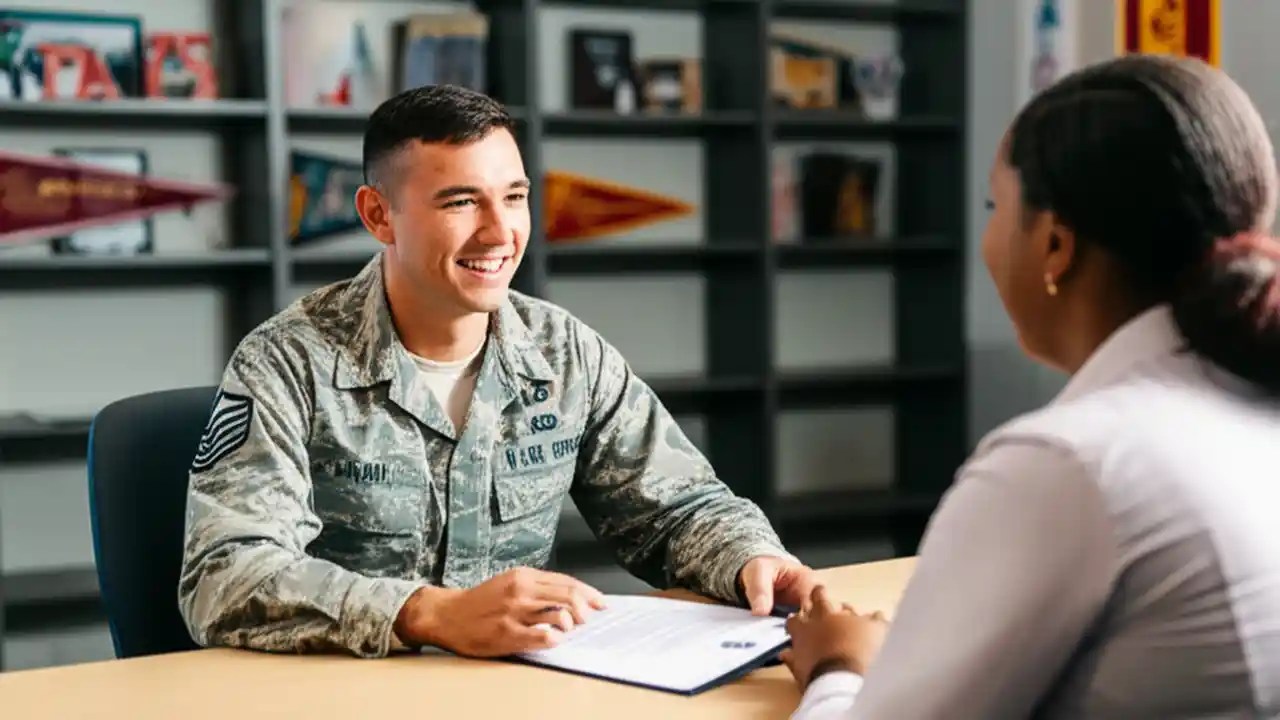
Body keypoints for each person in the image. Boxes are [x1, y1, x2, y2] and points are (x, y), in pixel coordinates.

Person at [178, 84, 816, 660]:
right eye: (460, 202)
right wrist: (428, 614)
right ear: (378, 215)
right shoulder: (288, 361)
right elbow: (227, 573)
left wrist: (751, 557)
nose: (500, 232)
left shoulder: (565, 352)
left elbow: (677, 508)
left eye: (514, 198)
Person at [782, 53, 1280, 718]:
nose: (988, 237)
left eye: (996, 205)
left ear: (1054, 246)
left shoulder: (1069, 466)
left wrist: (841, 665)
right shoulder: (1246, 407)